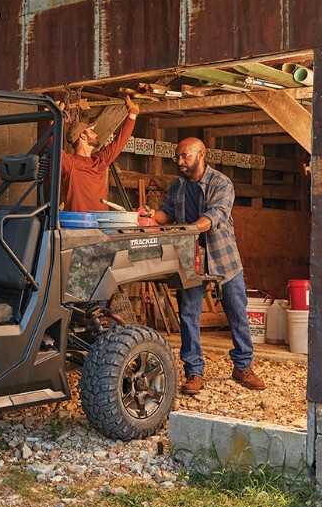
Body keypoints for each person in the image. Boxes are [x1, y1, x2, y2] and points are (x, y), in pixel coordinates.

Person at [138, 138, 265, 394]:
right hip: (191, 259)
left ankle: (243, 366)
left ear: (201, 154)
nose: (180, 162)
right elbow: (167, 213)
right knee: (188, 314)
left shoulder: (221, 183)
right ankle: (194, 372)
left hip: (224, 259)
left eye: (184, 156)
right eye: (177, 157)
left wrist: (187, 230)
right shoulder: (178, 186)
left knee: (237, 313)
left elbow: (215, 216)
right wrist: (149, 216)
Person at [60, 95, 139, 212]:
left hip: (101, 222)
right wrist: (55, 118)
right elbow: (53, 147)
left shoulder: (99, 160)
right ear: (83, 136)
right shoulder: (70, 163)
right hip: (78, 222)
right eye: (91, 131)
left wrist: (132, 114)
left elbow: (119, 143)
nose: (96, 134)